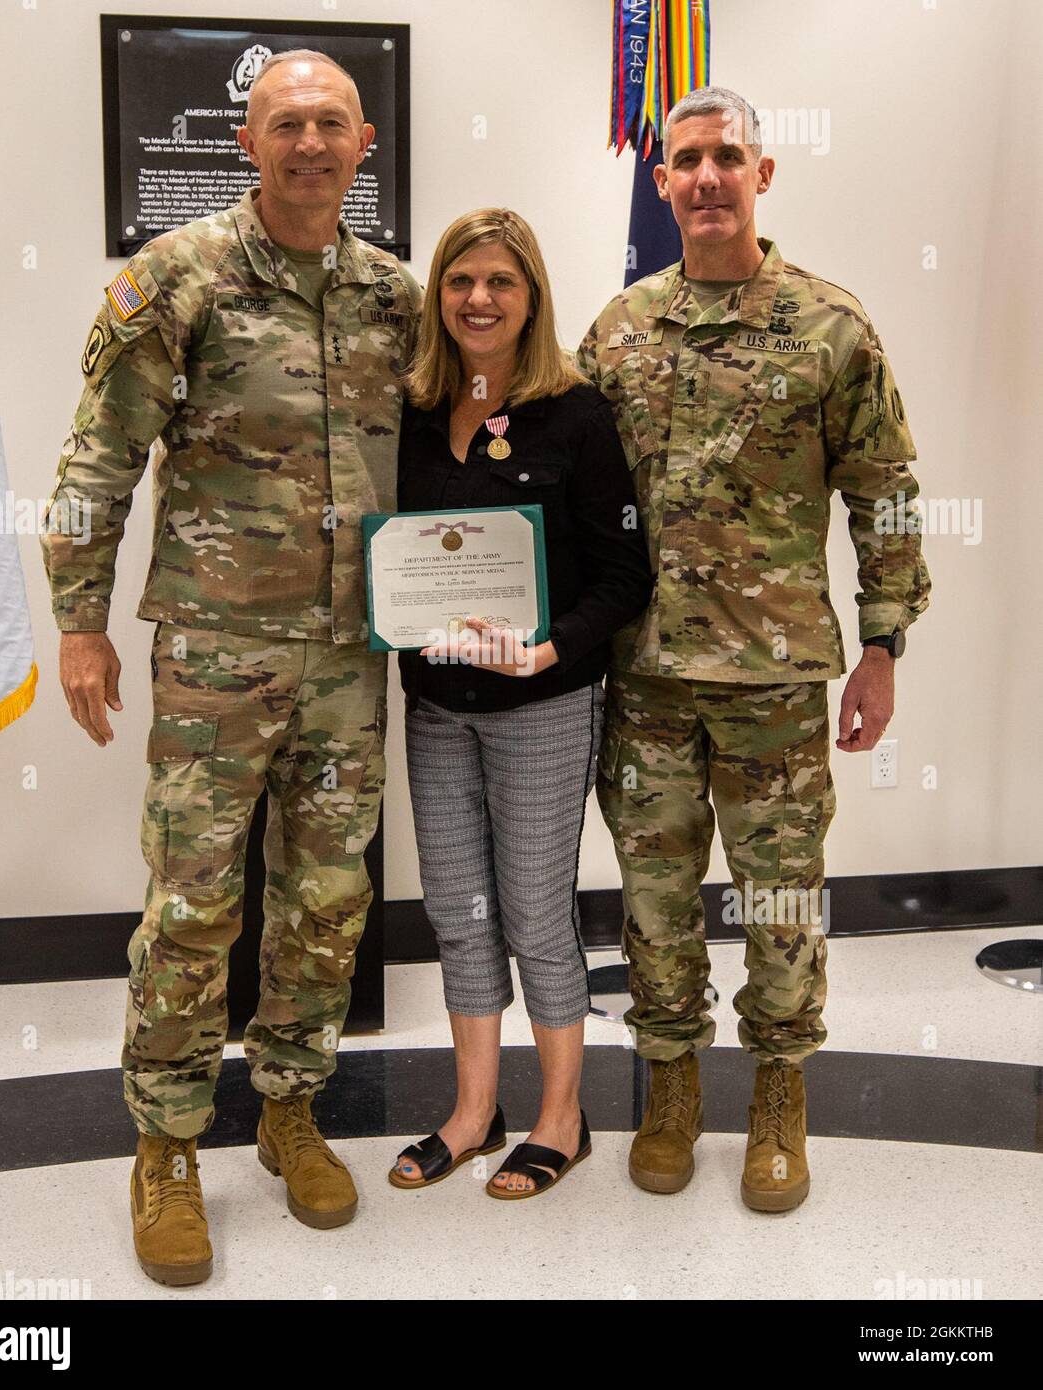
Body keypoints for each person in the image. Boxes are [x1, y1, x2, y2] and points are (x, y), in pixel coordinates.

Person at [40, 50, 421, 1284]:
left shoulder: (392, 295)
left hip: (351, 656)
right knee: (195, 905)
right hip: (216, 647)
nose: (309, 144)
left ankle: (290, 1109)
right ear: (245, 143)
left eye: (330, 123)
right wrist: (82, 621)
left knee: (325, 902)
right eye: (284, 125)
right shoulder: (178, 277)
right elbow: (99, 458)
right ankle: (164, 1144)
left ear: (365, 142)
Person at [576, 86, 930, 1212]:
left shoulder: (830, 327)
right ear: (663, 180)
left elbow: (883, 495)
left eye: (728, 155)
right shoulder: (617, 330)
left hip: (775, 678)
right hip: (643, 680)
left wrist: (881, 646)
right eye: (686, 160)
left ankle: (780, 1092)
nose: (708, 176)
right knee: (655, 896)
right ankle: (671, 1086)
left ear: (760, 175)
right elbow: (569, 494)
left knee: (780, 898)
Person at [389, 209, 654, 1200]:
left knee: (537, 912)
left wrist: (547, 647)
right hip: (435, 704)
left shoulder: (575, 414)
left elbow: (624, 573)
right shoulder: (414, 407)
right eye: (460, 280)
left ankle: (560, 1116)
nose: (478, 299)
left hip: (540, 702)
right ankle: (471, 1111)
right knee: (458, 913)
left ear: (530, 295)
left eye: (499, 280)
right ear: (438, 298)